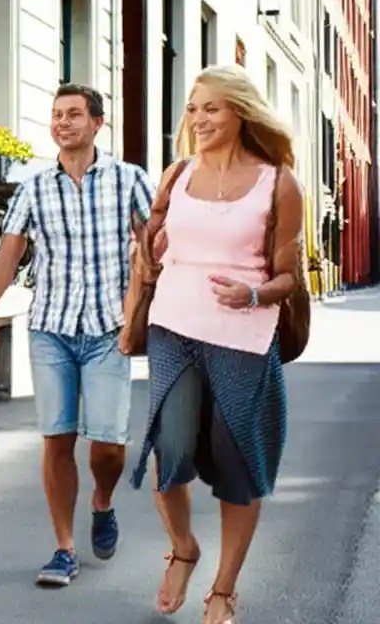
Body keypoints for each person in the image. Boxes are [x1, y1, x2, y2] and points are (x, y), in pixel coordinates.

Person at [124, 65, 302, 624]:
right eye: (193, 108)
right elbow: (152, 244)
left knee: (236, 461)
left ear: (240, 113)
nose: (198, 119)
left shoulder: (278, 182)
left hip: (243, 337)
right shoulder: (177, 175)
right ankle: (183, 547)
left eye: (212, 109)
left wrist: (253, 293)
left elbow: (289, 276)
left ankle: (224, 588)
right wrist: (148, 249)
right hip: (174, 326)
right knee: (168, 446)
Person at [0, 84, 154, 587]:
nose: (63, 122)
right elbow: (9, 255)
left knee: (108, 446)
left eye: (74, 114)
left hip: (108, 331)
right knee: (56, 439)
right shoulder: (33, 186)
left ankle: (103, 501)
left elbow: (157, 245)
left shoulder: (129, 180)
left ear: (98, 122)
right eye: (56, 115)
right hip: (50, 327)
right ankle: (64, 548)